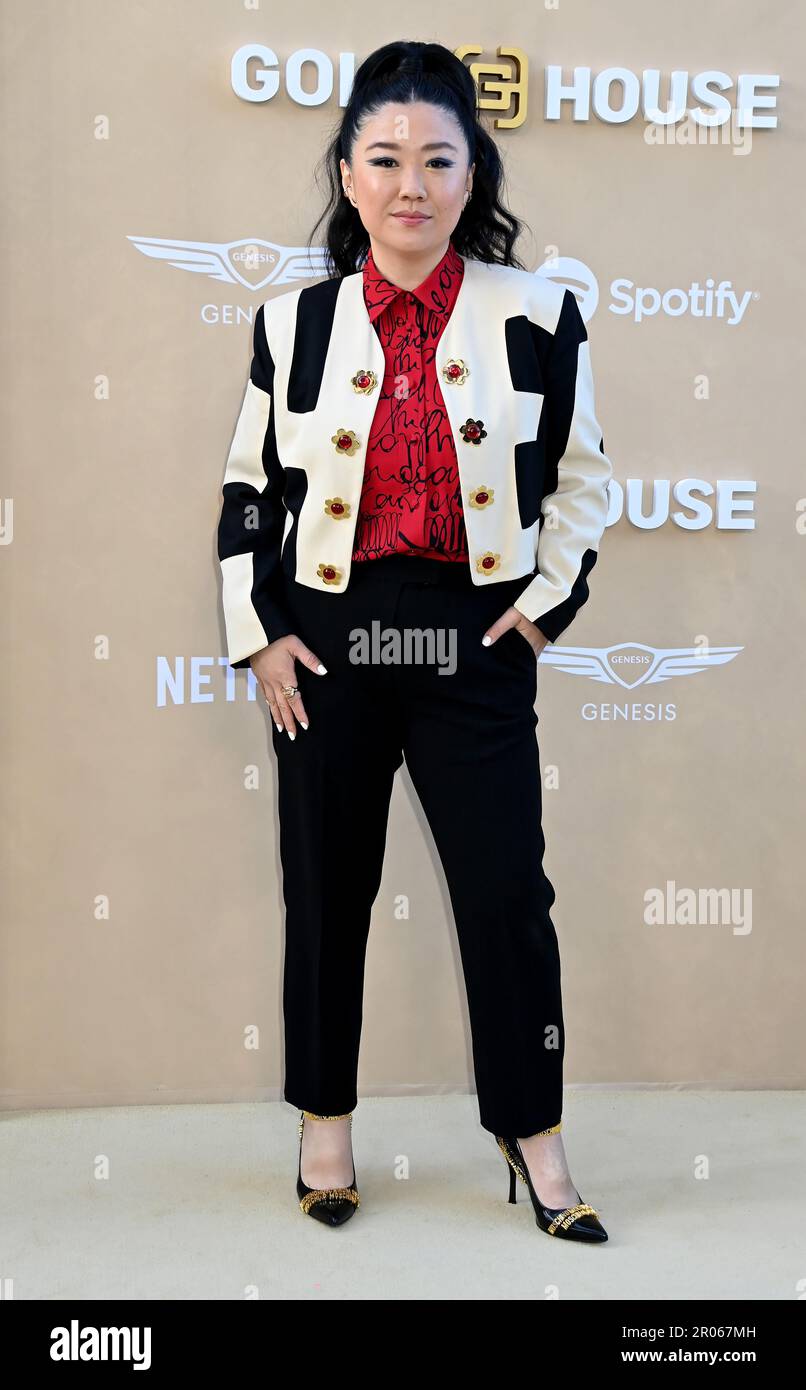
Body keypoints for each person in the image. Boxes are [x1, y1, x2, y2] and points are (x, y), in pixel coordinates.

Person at [216, 40, 612, 1241]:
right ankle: (324, 1125)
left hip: (468, 635)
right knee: (325, 893)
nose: (410, 185)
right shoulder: (292, 321)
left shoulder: (540, 313)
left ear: (469, 169)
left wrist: (539, 612)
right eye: (383, 159)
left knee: (504, 895)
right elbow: (248, 491)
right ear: (346, 175)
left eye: (436, 159)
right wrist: (261, 633)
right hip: (328, 639)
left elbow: (584, 485)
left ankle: (531, 1136)